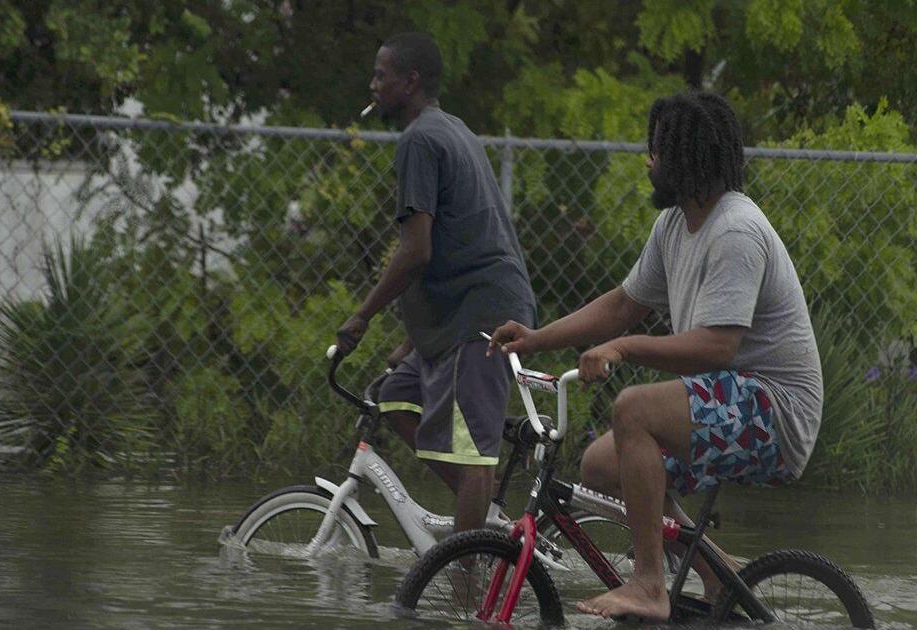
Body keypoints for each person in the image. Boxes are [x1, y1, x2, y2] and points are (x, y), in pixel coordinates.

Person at [488, 92, 822, 621]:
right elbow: (622, 304)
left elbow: (717, 347)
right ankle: (718, 575)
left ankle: (649, 585)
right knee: (600, 464)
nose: (648, 162)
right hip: (734, 399)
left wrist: (622, 349)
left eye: (657, 152)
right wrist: (534, 339)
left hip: (776, 412)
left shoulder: (735, 229)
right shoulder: (673, 224)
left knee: (633, 410)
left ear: (686, 160)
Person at [335, 32, 536, 536]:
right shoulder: (454, 130)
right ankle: (483, 512)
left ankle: (469, 591)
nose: (373, 84)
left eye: (382, 75)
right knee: (393, 397)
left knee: (474, 457)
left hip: (482, 319)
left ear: (411, 81)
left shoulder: (420, 140)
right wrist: (410, 340)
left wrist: (361, 316)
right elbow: (456, 237)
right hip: (457, 317)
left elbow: (417, 250)